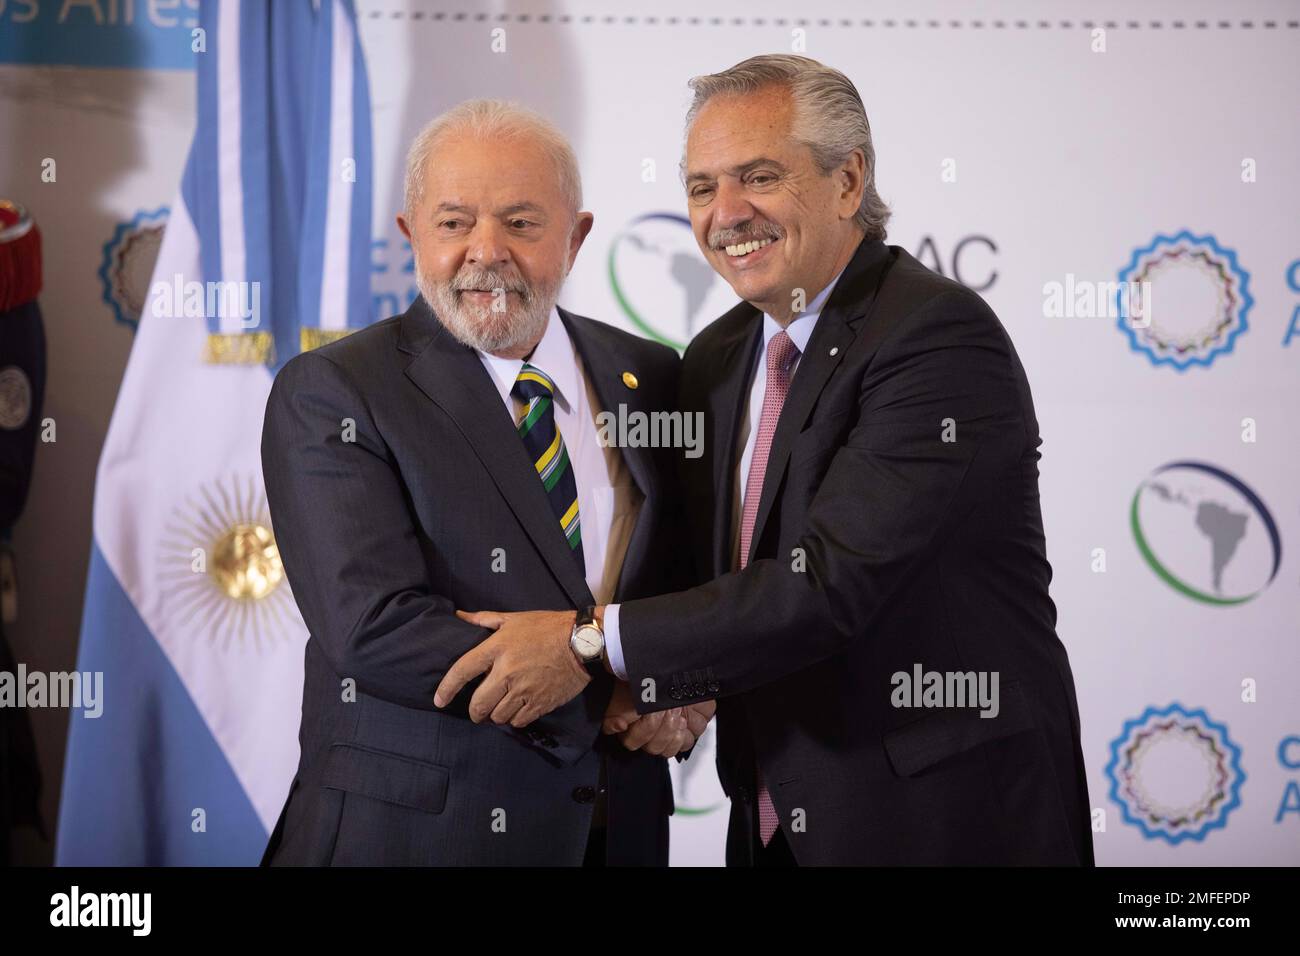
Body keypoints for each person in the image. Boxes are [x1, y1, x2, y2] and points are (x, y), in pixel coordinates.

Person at [437, 56, 1095, 867]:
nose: (728, 212)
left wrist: (584, 643)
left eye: (759, 176)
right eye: (702, 186)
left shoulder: (935, 338)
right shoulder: (717, 357)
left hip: (943, 819)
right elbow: (718, 582)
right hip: (771, 816)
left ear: (848, 181)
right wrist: (675, 693)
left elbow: (825, 586)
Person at [261, 99, 711, 866]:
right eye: (453, 223)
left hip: (619, 824)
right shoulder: (334, 390)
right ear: (410, 236)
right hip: (416, 836)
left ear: (576, 237)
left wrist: (685, 686)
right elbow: (373, 625)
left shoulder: (656, 378)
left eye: (521, 223)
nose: (485, 250)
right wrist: (611, 688)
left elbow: (690, 584)